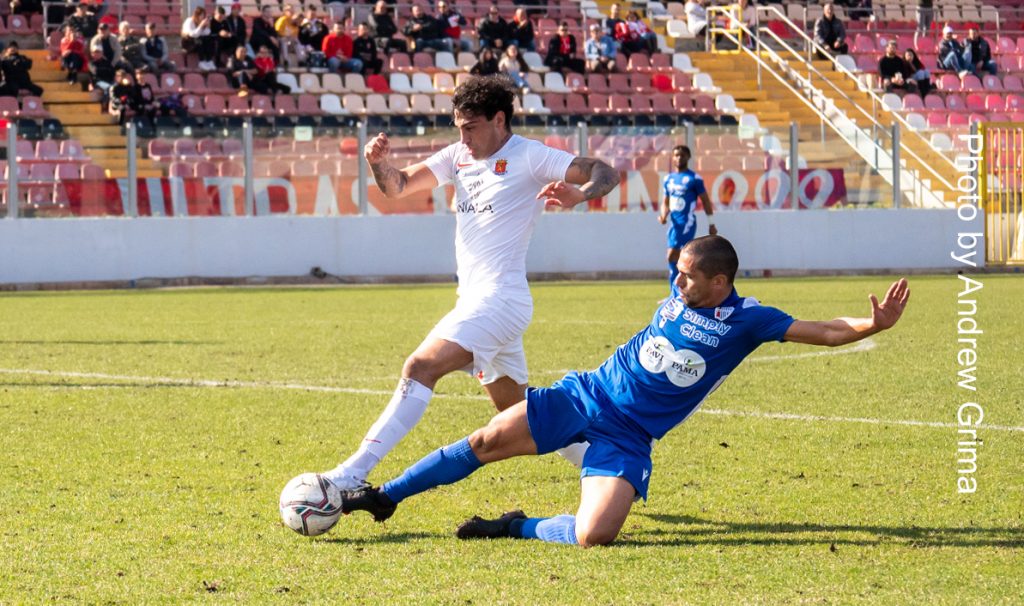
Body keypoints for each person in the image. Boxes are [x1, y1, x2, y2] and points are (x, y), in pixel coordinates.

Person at [332, 236, 911, 547]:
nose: (676, 280)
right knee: (484, 440)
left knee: (594, 536)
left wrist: (872, 326)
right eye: (676, 271)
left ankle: (512, 526)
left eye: (687, 275)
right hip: (588, 394)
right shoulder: (681, 290)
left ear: (721, 282)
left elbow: (826, 330)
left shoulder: (750, 320)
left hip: (630, 435)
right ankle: (385, 497)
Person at [320, 76, 620, 491]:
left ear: (499, 119)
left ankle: (352, 473)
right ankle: (609, 466)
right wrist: (378, 163)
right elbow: (399, 185)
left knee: (420, 366)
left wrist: (580, 192)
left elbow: (604, 170)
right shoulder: (457, 156)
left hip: (501, 300)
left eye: (470, 127)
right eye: (458, 127)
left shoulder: (530, 156)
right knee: (518, 412)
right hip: (477, 301)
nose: (463, 137)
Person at [659, 145, 715, 291]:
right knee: (676, 257)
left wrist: (711, 223)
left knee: (673, 255)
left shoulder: (694, 179)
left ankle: (678, 292)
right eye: (676, 155)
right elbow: (665, 202)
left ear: (688, 157)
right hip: (674, 223)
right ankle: (677, 293)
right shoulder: (668, 179)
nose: (679, 158)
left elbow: (706, 201)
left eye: (682, 155)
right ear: (672, 157)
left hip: (686, 222)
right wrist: (663, 215)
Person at [181, 6, 216, 71]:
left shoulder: (200, 22)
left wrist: (207, 26)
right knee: (199, 40)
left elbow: (207, 33)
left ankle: (209, 60)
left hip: (196, 42)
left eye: (203, 15)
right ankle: (201, 61)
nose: (202, 17)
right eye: (200, 15)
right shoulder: (189, 21)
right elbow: (193, 35)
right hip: (188, 43)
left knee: (208, 39)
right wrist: (200, 26)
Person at [275, 3, 306, 68]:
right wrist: (286, 37)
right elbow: (277, 32)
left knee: (297, 42)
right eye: (289, 10)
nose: (291, 12)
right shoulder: (282, 20)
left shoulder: (296, 26)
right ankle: (285, 60)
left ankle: (300, 61)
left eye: (292, 11)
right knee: (284, 41)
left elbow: (295, 37)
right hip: (281, 40)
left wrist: (293, 39)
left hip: (290, 42)